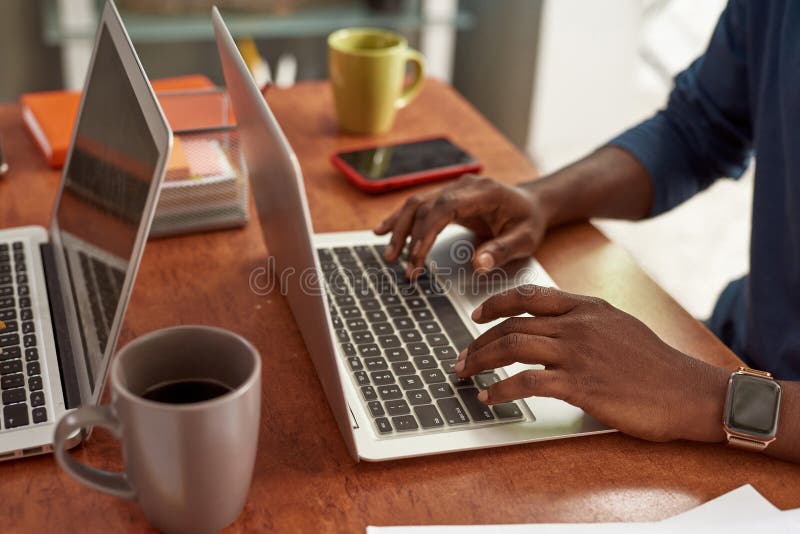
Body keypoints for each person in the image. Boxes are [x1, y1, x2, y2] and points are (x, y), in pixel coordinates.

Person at [373, 0, 800, 464]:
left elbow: (693, 394)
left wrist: (698, 393)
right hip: (737, 345)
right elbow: (698, 128)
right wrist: (542, 200)